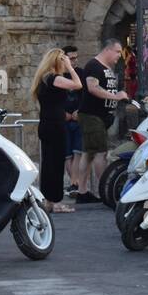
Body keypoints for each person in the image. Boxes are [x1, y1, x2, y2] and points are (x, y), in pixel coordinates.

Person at [75, 38, 128, 204]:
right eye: (118, 52)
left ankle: (82, 192)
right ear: (108, 50)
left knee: (88, 153)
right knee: (100, 153)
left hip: (101, 116)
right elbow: (92, 88)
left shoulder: (106, 68)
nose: (120, 55)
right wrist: (115, 96)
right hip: (92, 115)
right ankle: (106, 190)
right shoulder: (93, 65)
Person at [32, 48, 82, 213]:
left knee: (49, 163)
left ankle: (49, 201)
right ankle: (53, 201)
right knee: (55, 165)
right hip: (55, 125)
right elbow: (78, 84)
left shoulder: (43, 79)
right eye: (64, 60)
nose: (67, 62)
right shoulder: (54, 78)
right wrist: (71, 67)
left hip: (47, 124)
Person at [62, 45, 84, 194]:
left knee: (77, 152)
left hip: (78, 118)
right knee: (67, 154)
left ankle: (74, 183)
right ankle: (74, 183)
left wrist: (79, 111)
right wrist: (63, 113)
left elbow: (86, 94)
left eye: (76, 58)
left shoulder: (81, 73)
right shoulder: (57, 76)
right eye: (71, 58)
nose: (75, 61)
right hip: (63, 120)